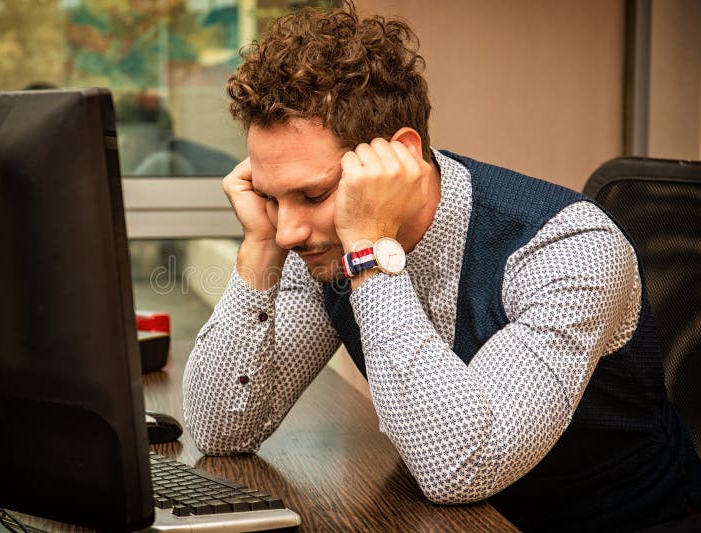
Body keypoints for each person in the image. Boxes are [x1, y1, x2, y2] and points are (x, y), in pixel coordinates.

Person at [181, 3, 701, 531]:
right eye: (271, 197)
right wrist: (259, 248)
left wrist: (370, 251)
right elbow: (221, 430)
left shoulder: (571, 247)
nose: (290, 229)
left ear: (398, 153)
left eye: (313, 193)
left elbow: (459, 470)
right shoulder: (315, 244)